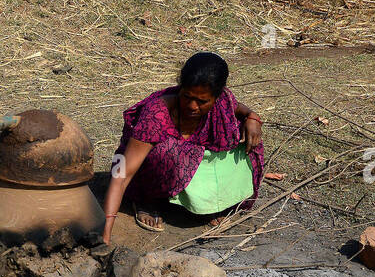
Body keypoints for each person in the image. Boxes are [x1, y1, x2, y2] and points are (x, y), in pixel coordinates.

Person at [101, 52, 264, 242]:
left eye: (202, 101)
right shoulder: (157, 113)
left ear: (217, 96)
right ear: (180, 88)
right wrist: (105, 230)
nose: (192, 106)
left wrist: (253, 118)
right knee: (169, 153)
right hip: (145, 173)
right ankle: (146, 201)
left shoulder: (223, 102)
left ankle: (208, 204)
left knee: (242, 135)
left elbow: (238, 108)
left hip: (189, 164)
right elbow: (122, 174)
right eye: (187, 97)